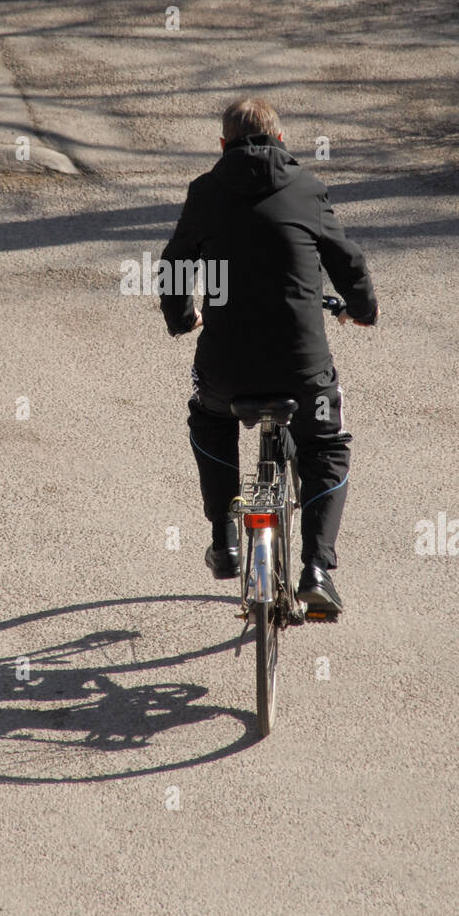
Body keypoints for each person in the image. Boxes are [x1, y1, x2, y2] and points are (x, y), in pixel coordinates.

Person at [158, 96, 379, 616]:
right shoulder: (305, 187)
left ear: (222, 145)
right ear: (281, 141)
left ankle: (225, 538)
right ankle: (317, 569)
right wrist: (363, 309)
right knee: (326, 444)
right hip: (302, 369)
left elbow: (173, 266)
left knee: (209, 419)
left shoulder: (205, 192)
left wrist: (182, 319)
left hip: (226, 369)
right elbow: (346, 259)